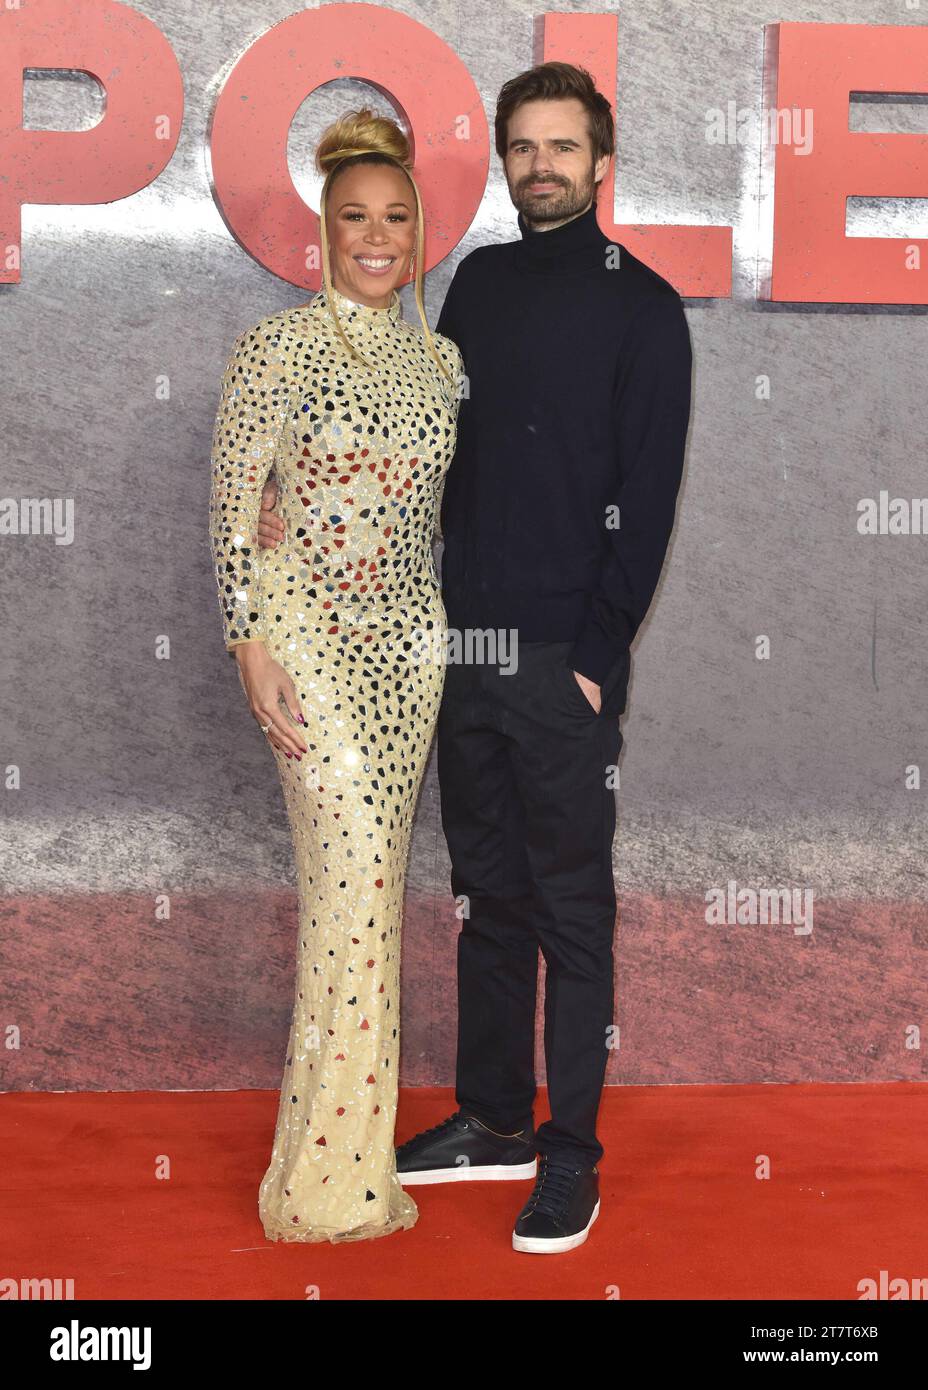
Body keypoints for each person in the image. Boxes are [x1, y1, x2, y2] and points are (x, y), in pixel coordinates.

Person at [258, 61, 693, 1255]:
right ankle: (497, 1119)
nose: (542, 165)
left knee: (569, 912)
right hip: (455, 651)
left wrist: (597, 656)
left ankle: (570, 1159)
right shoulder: (477, 292)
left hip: (563, 666)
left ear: (601, 164)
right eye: (523, 147)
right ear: (503, 162)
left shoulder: (644, 308)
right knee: (486, 905)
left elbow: (645, 504)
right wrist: (301, 520)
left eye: (563, 147)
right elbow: (420, 462)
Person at [207, 107, 463, 1244]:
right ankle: (326, 1181)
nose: (375, 236)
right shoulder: (276, 347)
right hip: (308, 642)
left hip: (411, 652)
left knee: (367, 904)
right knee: (352, 897)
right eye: (353, 217)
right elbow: (233, 506)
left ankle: (349, 1162)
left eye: (394, 218)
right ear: (323, 232)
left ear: (420, 233)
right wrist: (250, 644)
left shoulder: (443, 359)